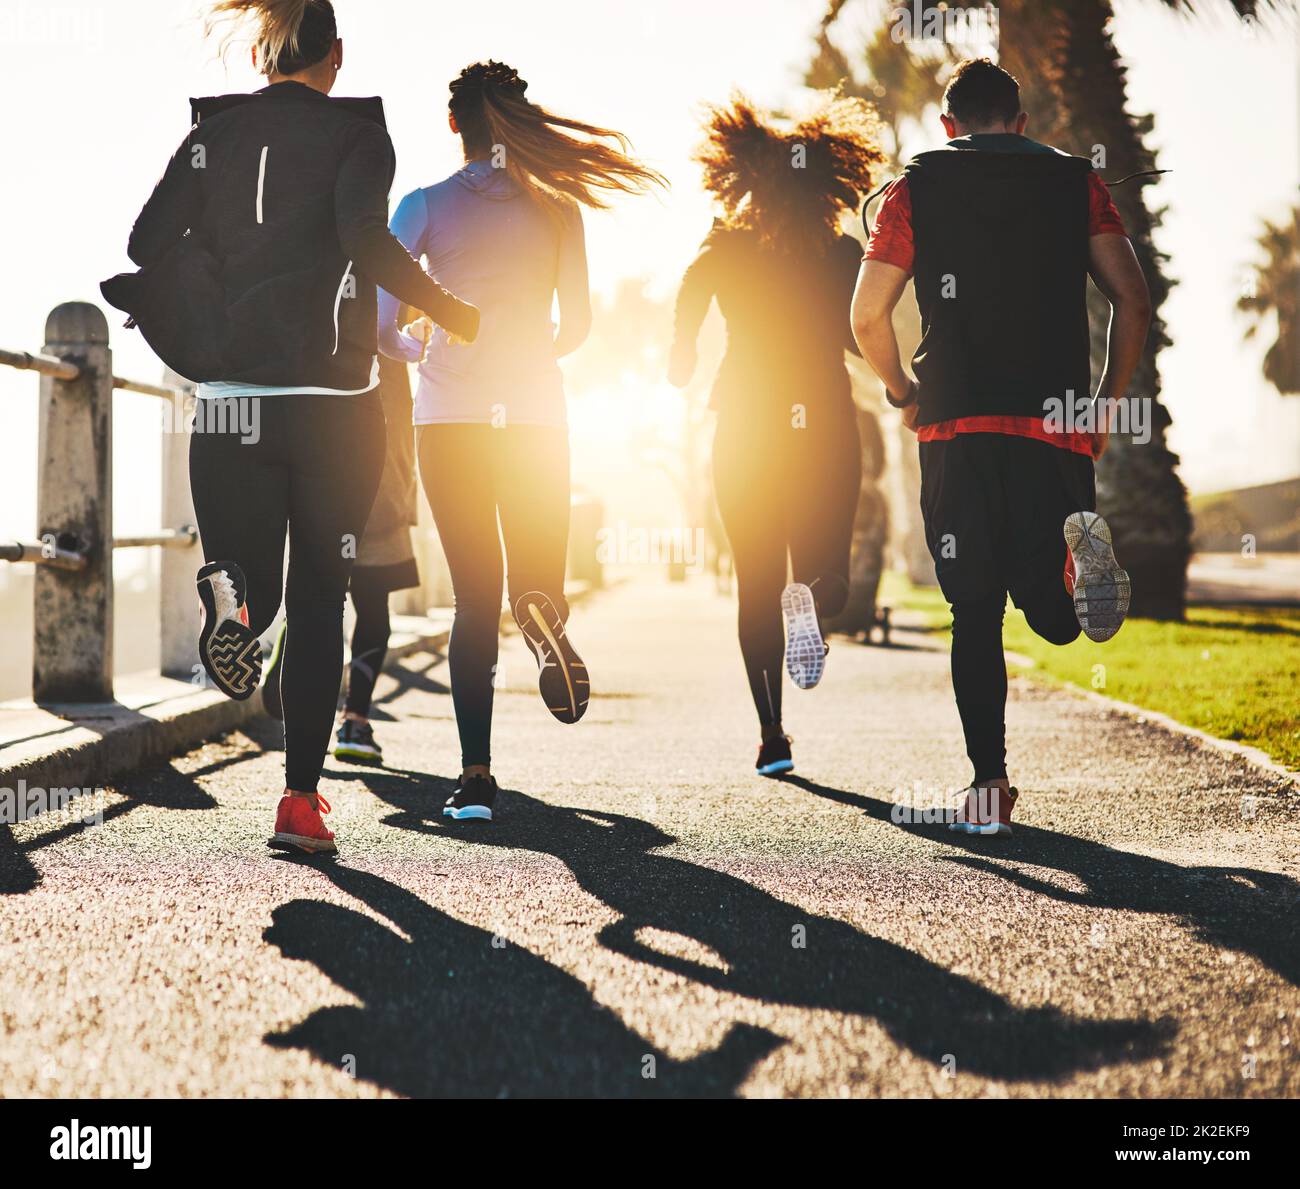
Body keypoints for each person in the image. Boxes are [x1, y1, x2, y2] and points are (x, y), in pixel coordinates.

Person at [121, 0, 479, 854]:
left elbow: (143, 243)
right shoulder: (361, 136)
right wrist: (448, 308)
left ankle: (231, 599)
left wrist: (213, 294)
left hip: (232, 402)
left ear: (260, 51)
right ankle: (299, 802)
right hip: (334, 404)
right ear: (337, 56)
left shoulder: (213, 134)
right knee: (321, 600)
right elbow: (364, 235)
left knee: (258, 596)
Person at [851, 58, 1149, 837]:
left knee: (973, 610)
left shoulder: (917, 185)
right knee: (1054, 621)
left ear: (948, 127)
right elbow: (1132, 298)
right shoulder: (1072, 181)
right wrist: (1105, 408)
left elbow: (866, 316)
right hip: (1054, 424)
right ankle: (1069, 562)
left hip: (957, 421)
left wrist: (902, 392)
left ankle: (989, 786)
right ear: (1020, 124)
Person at [378, 60, 665, 822]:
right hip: (536, 417)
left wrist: (426, 348)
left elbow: (382, 321)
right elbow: (578, 326)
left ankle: (474, 779)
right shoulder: (561, 210)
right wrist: (527, 352)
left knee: (473, 598)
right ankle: (541, 621)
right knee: (534, 582)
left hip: (449, 420)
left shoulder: (424, 205)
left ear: (454, 126)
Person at [667, 93, 883, 777]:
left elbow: (691, 288)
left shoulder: (727, 246)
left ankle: (771, 736)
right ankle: (814, 599)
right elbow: (860, 336)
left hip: (745, 429)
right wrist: (904, 380)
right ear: (826, 181)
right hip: (821, 423)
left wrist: (682, 352)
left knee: (755, 583)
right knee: (833, 573)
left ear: (747, 180)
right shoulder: (839, 251)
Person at [261, 349, 422, 768]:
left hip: (316, 464)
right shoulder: (390, 299)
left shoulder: (317, 297)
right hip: (380, 476)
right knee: (371, 602)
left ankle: (291, 644)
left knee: (314, 594)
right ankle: (355, 720)